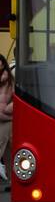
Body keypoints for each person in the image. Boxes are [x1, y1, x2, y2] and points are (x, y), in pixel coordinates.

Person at [0, 52, 13, 189]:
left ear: (3, 63)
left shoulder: (8, 79)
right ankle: (13, 182)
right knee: (9, 154)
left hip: (5, 119)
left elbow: (17, 98)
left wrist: (7, 109)